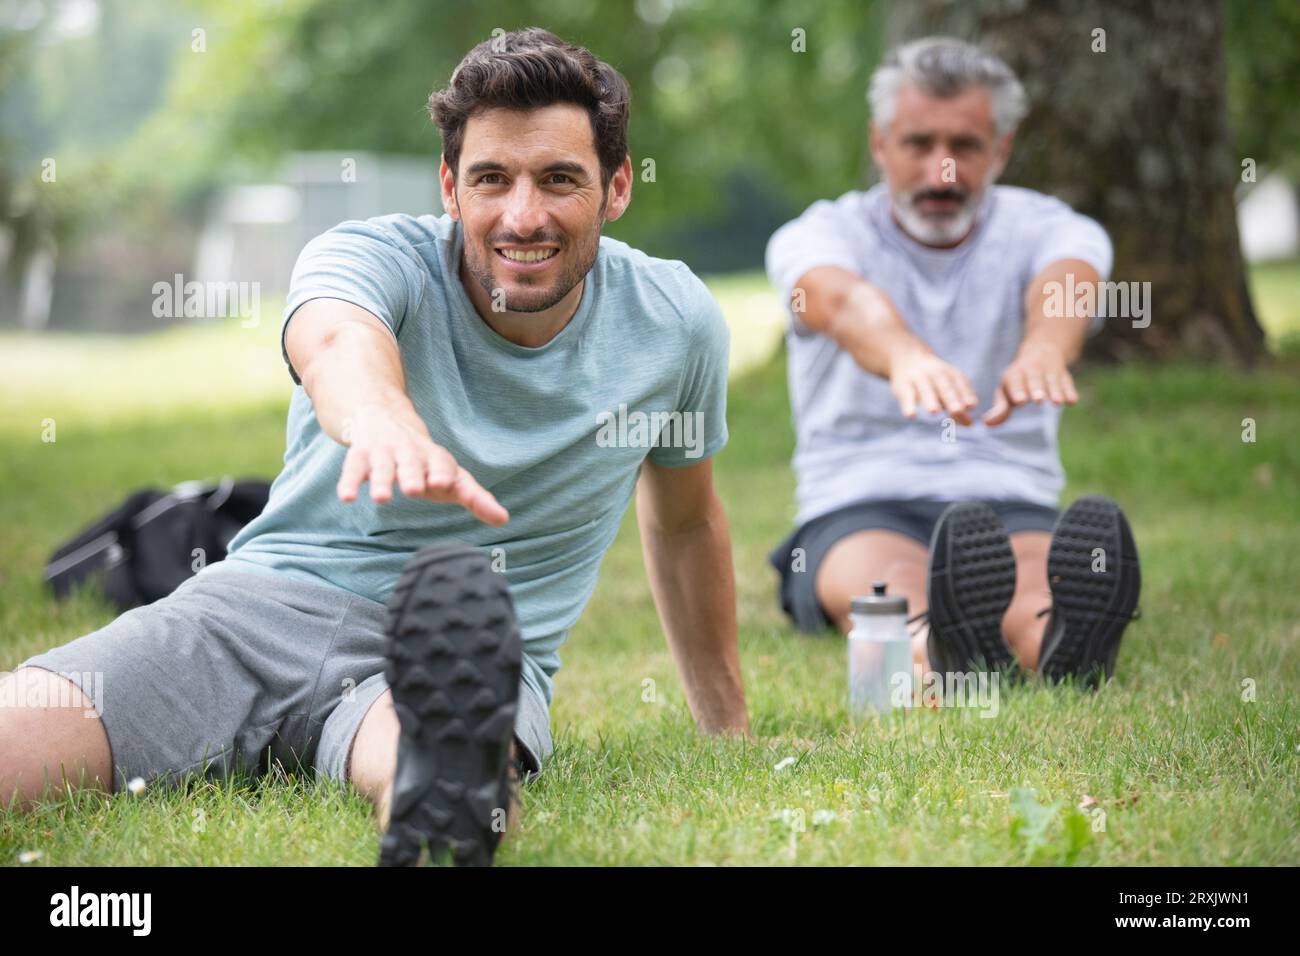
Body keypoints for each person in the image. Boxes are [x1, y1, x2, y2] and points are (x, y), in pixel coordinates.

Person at [0, 28, 748, 866]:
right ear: (449, 186)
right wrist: (384, 416)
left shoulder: (674, 326)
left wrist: (728, 731)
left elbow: (685, 524)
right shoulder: (370, 254)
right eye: (491, 179)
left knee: (431, 754)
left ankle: (438, 796)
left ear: (616, 189)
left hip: (457, 662)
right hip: (250, 614)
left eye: (560, 179)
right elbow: (334, 341)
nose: (522, 215)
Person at [765, 37, 1140, 688]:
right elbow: (840, 300)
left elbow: (1068, 287)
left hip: (1007, 495)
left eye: (965, 147)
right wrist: (905, 357)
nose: (943, 169)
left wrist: (1046, 349)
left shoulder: (1050, 226)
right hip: (861, 500)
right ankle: (926, 652)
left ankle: (1058, 644)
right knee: (894, 585)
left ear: (1001, 149)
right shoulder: (818, 235)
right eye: (919, 144)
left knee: (1031, 587)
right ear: (880, 145)